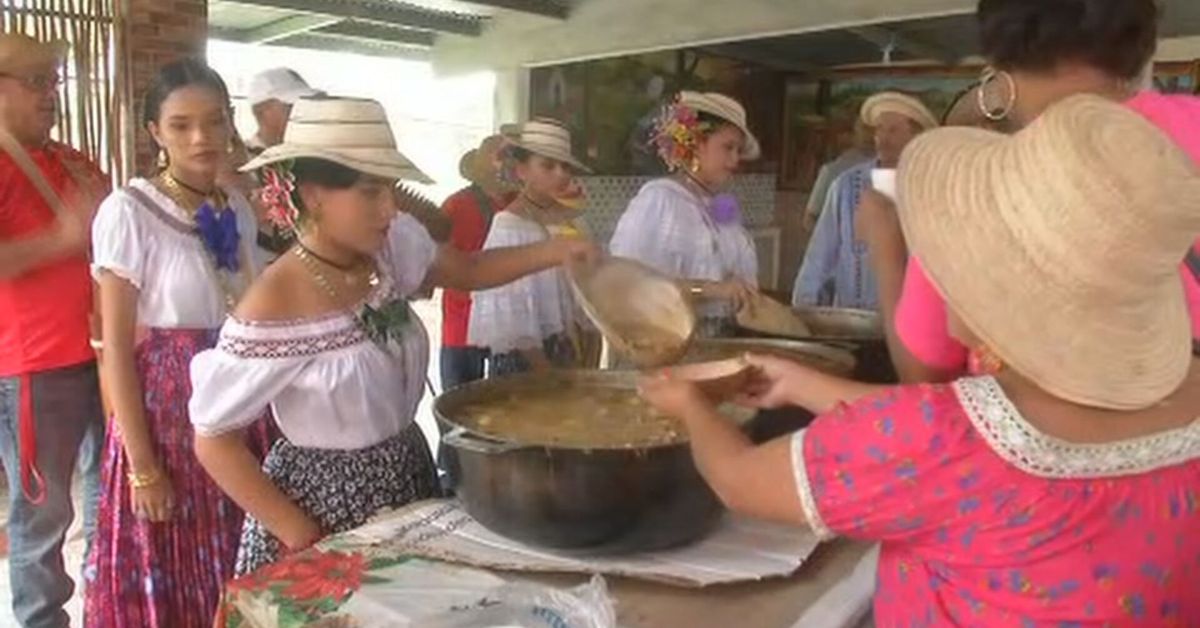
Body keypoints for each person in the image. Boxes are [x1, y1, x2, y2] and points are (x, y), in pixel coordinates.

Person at [640, 95, 1200, 625]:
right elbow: (959, 422)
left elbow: (742, 481)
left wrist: (691, 405)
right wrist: (804, 383)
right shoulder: (1186, 398)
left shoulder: (946, 437)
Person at [188, 97, 596, 575]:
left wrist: (559, 250)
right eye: (370, 192)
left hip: (407, 477)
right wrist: (301, 535)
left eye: (390, 189)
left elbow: (467, 268)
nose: (389, 208)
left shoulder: (388, 247)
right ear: (315, 194)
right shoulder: (275, 301)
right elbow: (213, 440)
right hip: (327, 509)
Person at [858, 0, 1200, 384]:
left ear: (996, 47)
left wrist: (885, 245)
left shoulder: (974, 186)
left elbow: (925, 376)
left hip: (1053, 438)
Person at [84, 59, 274, 626]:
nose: (202, 138)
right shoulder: (129, 210)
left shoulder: (234, 206)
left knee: (237, 545)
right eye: (181, 124)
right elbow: (115, 347)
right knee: (173, 552)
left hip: (240, 398)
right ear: (154, 133)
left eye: (215, 122)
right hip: (167, 414)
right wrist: (143, 465)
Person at [0, 32, 108, 628]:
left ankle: (106, 609)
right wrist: (61, 238)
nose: (51, 96)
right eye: (36, 83)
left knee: (105, 494)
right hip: (33, 366)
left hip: (100, 352)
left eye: (54, 83)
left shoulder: (72, 161)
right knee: (42, 515)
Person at [609, 92, 761, 338]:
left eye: (738, 150)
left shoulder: (723, 207)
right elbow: (629, 284)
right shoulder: (659, 200)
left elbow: (738, 269)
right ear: (697, 144)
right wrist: (712, 290)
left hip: (725, 342)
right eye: (728, 147)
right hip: (671, 344)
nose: (735, 160)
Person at [468, 119, 592, 376]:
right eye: (548, 165)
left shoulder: (574, 222)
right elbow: (510, 320)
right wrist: (545, 374)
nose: (561, 174)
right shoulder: (509, 225)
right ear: (522, 170)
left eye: (565, 166)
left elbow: (587, 297)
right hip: (525, 365)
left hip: (570, 355)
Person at [792, 92, 937, 311]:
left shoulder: (931, 187)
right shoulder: (846, 185)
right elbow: (820, 255)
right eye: (879, 129)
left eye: (893, 130)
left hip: (914, 322)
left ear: (914, 136)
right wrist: (804, 307)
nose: (883, 138)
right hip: (854, 319)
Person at [440, 135, 517, 389]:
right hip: (462, 329)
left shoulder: (520, 207)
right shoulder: (455, 206)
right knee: (457, 413)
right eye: (501, 159)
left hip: (506, 330)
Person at [246, 68, 322, 259]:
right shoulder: (240, 165)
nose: (301, 115)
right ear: (261, 112)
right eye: (291, 107)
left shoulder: (311, 162)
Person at [802, 117, 874, 232]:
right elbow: (810, 219)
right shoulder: (833, 171)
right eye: (864, 129)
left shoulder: (893, 171)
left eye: (874, 129)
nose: (869, 135)